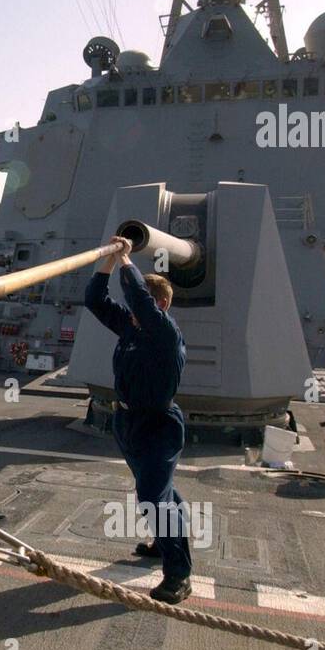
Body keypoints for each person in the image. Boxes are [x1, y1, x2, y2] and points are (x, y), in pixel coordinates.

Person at [83, 235, 191, 604]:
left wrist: (127, 259)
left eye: (142, 304)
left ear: (159, 304)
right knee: (162, 492)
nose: (130, 312)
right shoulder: (132, 327)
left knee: (151, 495)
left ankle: (179, 574)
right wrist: (110, 261)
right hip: (127, 423)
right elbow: (95, 300)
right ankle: (165, 544)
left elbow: (138, 302)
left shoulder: (164, 334)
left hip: (159, 426)